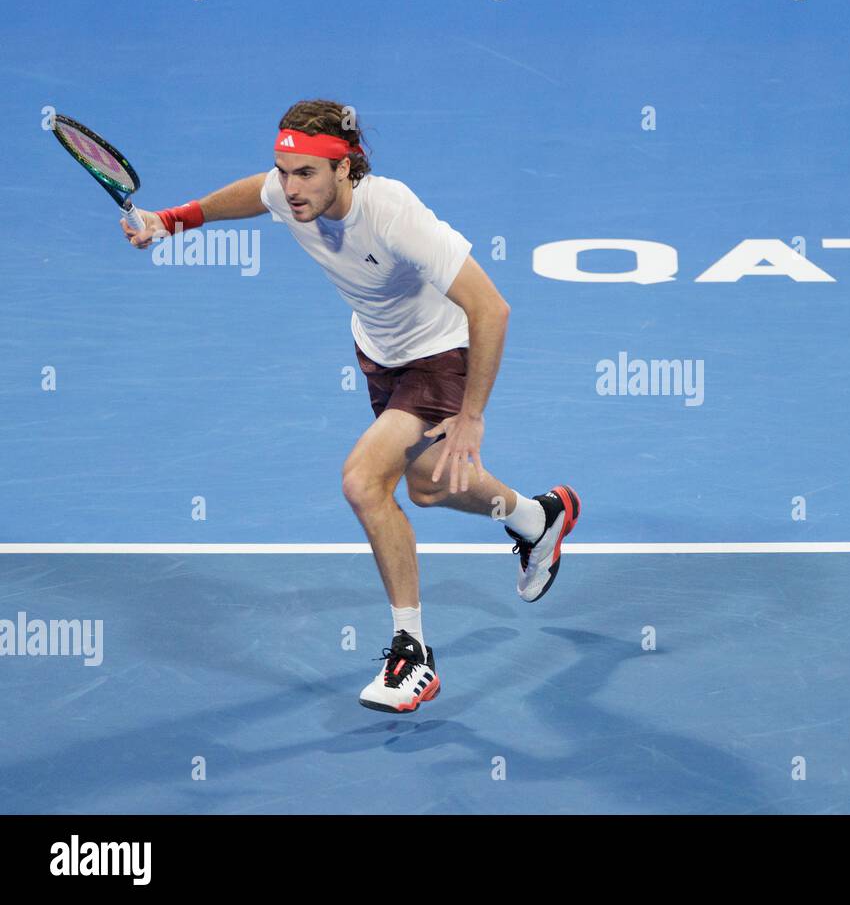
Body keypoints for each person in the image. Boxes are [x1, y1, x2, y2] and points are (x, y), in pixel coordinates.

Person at [121, 99, 580, 713]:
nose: (290, 188)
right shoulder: (289, 192)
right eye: (284, 171)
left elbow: (491, 308)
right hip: (379, 356)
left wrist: (471, 415)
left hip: (439, 356)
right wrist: (172, 220)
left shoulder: (392, 213)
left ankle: (411, 653)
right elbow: (250, 196)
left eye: (306, 173)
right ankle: (537, 518)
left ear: (347, 168)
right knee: (427, 487)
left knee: (364, 482)